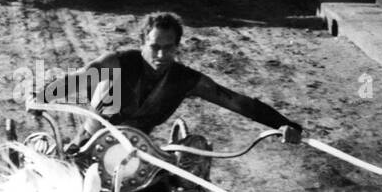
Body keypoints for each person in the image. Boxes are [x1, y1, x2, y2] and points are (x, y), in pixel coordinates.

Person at [40, 12, 304, 146]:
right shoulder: (116, 62)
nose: (161, 54)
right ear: (143, 41)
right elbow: (77, 79)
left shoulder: (186, 80)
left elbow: (238, 102)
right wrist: (41, 97)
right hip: (89, 144)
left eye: (169, 47)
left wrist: (283, 125)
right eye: (155, 46)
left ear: (178, 46)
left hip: (137, 152)